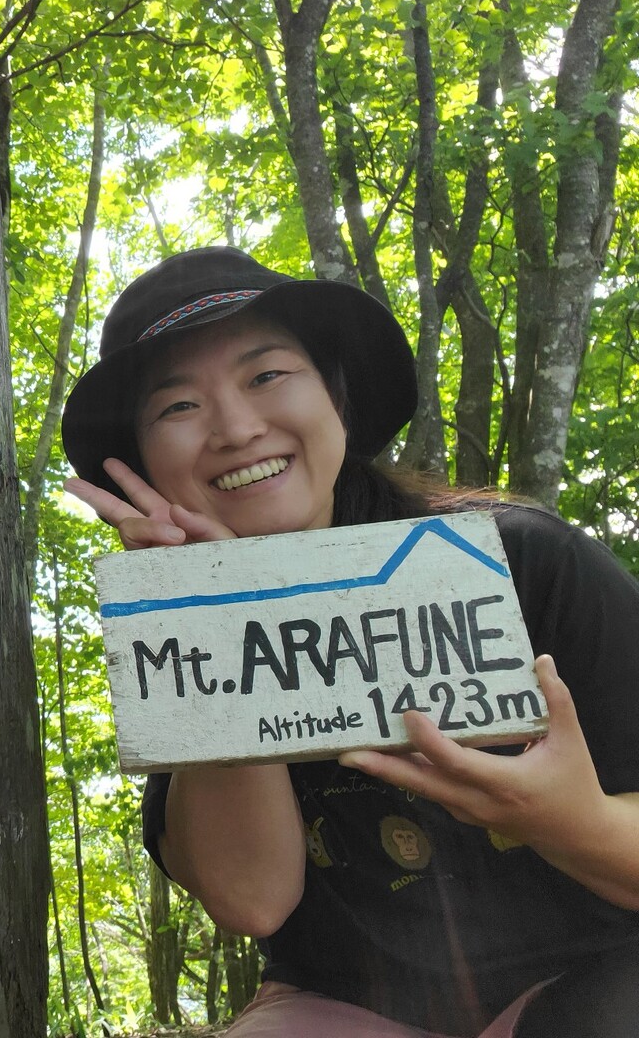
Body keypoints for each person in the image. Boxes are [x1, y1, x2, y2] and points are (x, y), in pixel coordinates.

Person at [60, 246, 639, 1038]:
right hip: (346, 1005)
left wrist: (567, 819)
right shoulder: (175, 639)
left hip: (594, 975)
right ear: (144, 465)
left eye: (267, 376)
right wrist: (209, 610)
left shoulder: (524, 563)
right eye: (178, 407)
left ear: (335, 397)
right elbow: (253, 897)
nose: (235, 428)